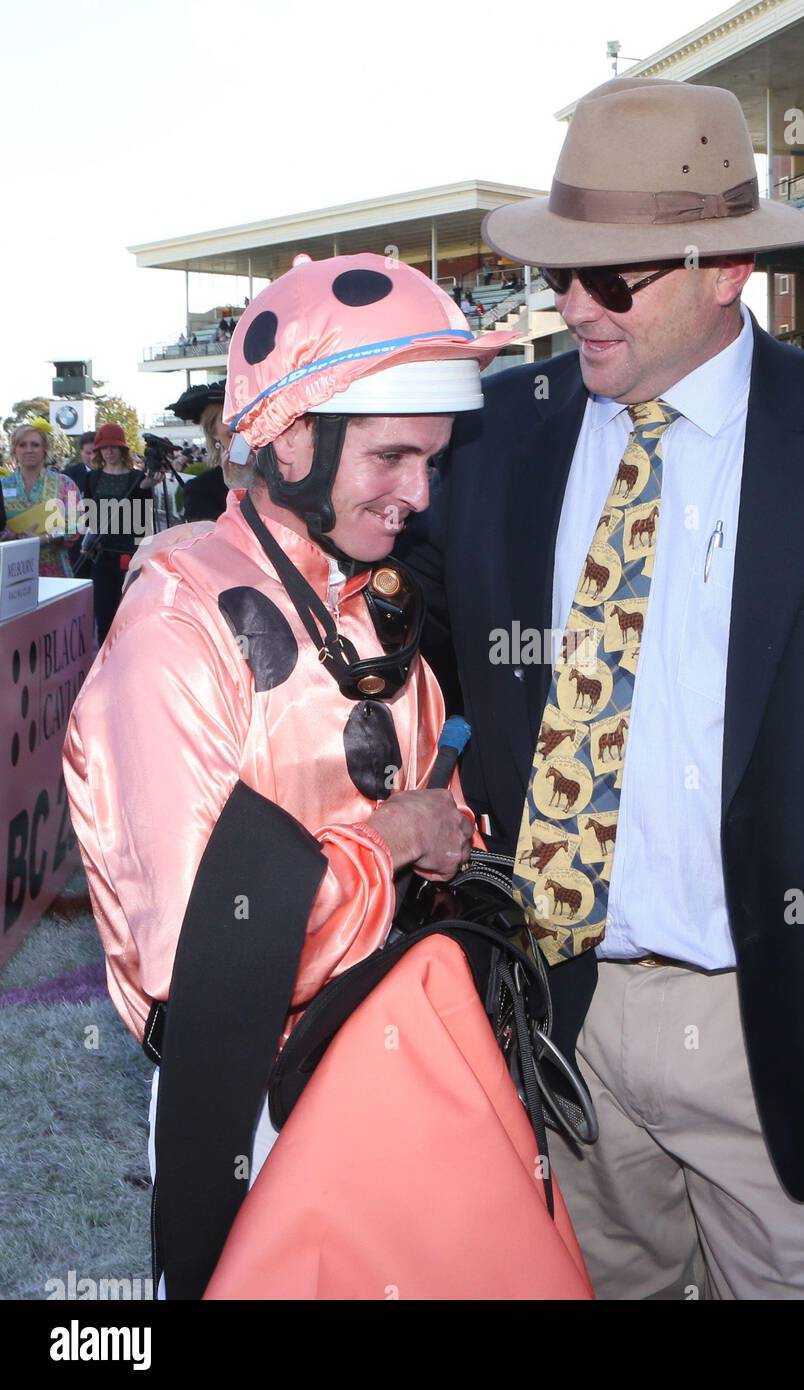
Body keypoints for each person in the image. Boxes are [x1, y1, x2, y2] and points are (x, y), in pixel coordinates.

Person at [398, 75, 804, 1300]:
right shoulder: (494, 436)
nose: (572, 305)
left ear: (723, 266)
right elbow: (382, 632)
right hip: (558, 1020)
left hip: (791, 1022)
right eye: (558, 271)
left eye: (611, 276)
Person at [63, 252, 589, 1301]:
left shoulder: (369, 599)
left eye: (432, 461)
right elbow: (195, 954)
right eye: (392, 456)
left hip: (407, 1066)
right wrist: (391, 845)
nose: (418, 493)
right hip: (258, 1107)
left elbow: (447, 816)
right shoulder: (175, 623)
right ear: (291, 435)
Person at [81, 422, 154, 641]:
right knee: (104, 618)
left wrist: (144, 555)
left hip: (130, 557)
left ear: (122, 449)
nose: (109, 452)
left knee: (130, 616)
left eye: (113, 447)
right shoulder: (93, 478)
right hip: (102, 556)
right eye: (104, 448)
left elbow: (144, 522)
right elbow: (89, 516)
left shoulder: (138, 479)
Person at [0, 423, 81, 574]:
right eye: (22, 445)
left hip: (54, 572)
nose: (29, 450)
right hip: (10, 574)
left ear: (45, 450)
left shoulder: (65, 484)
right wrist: (13, 536)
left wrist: (46, 538)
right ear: (14, 451)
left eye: (35, 445)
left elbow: (75, 527)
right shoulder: (2, 485)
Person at [169, 383, 253, 521]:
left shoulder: (279, 476)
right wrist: (239, 494)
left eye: (242, 414)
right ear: (213, 431)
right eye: (227, 417)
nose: (237, 423)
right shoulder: (199, 490)